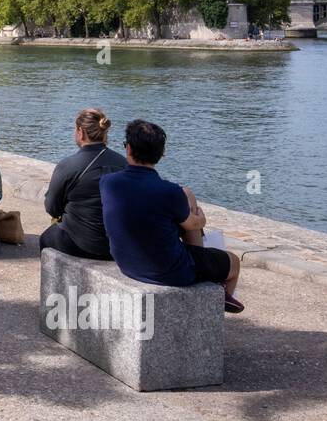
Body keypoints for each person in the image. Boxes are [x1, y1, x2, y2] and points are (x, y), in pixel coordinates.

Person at [100, 119, 244, 312]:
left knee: (185, 198)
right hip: (169, 271)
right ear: (162, 153)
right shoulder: (169, 192)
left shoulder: (108, 183)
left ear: (128, 149)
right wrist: (202, 218)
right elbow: (193, 225)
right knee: (233, 262)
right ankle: (211, 311)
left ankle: (204, 271)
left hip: (127, 263)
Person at [41, 108, 127, 260]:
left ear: (81, 132)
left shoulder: (68, 165)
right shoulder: (122, 163)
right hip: (115, 245)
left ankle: (65, 285)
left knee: (45, 239)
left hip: (80, 243)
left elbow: (52, 208)